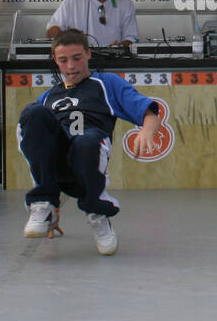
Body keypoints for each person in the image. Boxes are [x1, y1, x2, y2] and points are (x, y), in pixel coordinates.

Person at [18, 29, 160, 255]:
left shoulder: (106, 83)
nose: (71, 66)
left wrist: (147, 132)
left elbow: (149, 112)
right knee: (33, 113)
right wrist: (52, 204)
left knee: (88, 139)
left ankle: (98, 213)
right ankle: (44, 205)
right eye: (63, 60)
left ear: (88, 54)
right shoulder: (47, 97)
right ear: (55, 60)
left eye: (77, 58)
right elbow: (34, 148)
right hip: (59, 163)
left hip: (89, 155)